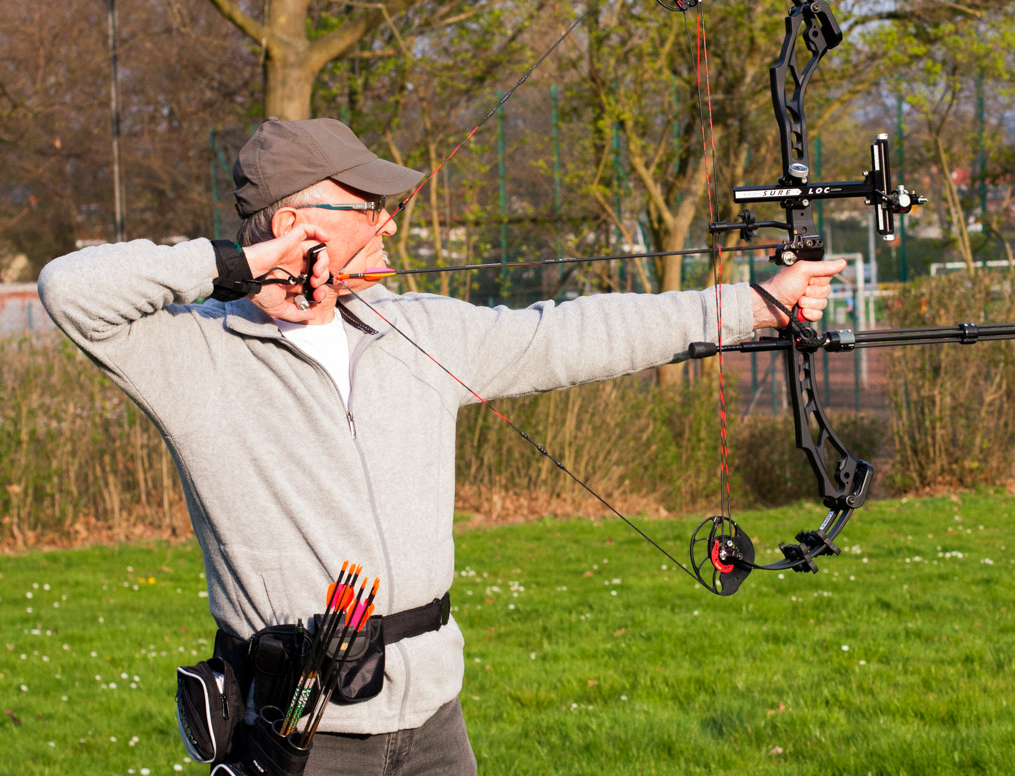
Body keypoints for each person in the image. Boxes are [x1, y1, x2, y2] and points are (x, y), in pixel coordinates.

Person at [38, 117, 844, 775]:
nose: (389, 219)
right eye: (366, 206)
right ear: (295, 226)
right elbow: (69, 290)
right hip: (303, 741)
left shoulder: (413, 328)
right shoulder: (195, 358)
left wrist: (751, 307)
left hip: (434, 727)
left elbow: (573, 334)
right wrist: (245, 265)